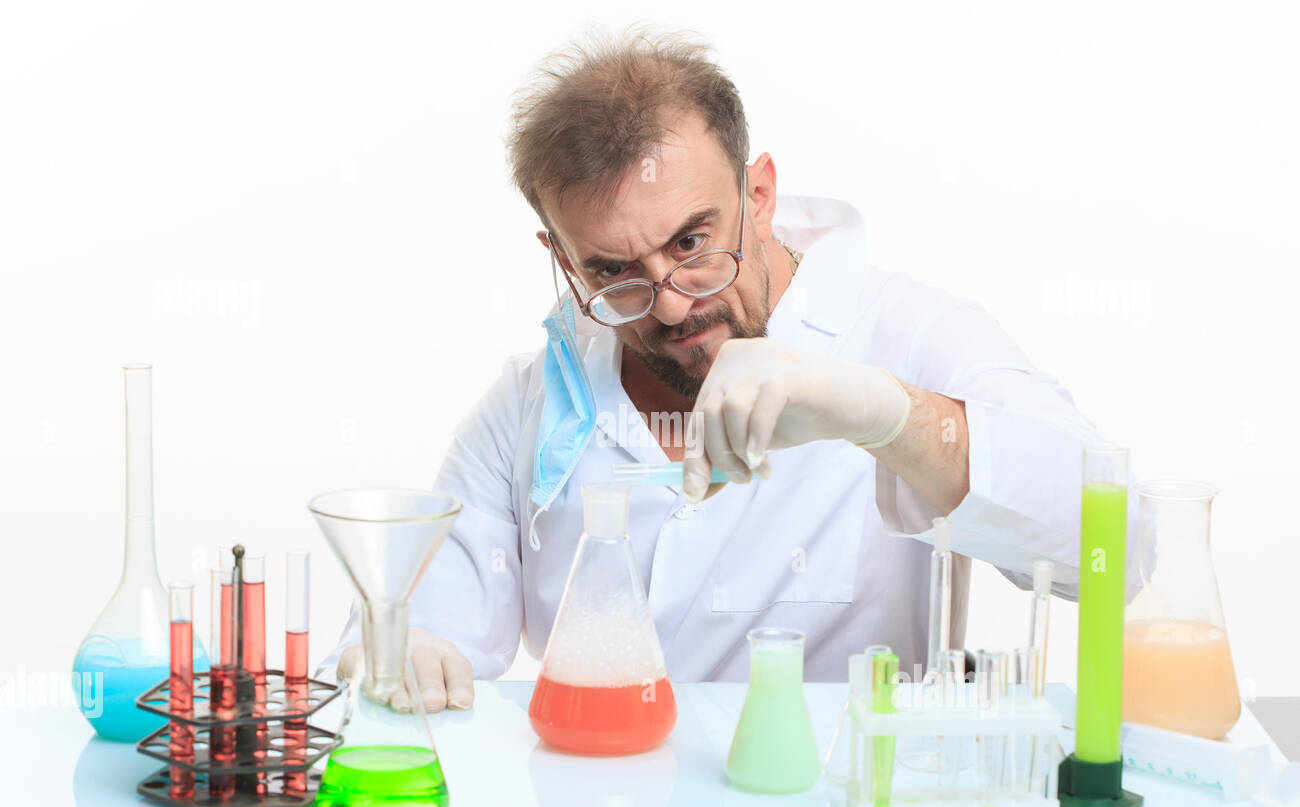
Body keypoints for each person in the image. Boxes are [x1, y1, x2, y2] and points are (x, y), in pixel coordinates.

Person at [321, 30, 1105, 711]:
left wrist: (888, 416)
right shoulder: (530, 405)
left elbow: (1112, 554)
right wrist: (397, 653)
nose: (667, 308)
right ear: (562, 260)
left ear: (758, 194)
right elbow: (425, 627)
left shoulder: (908, 335)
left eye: (693, 243)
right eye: (613, 271)